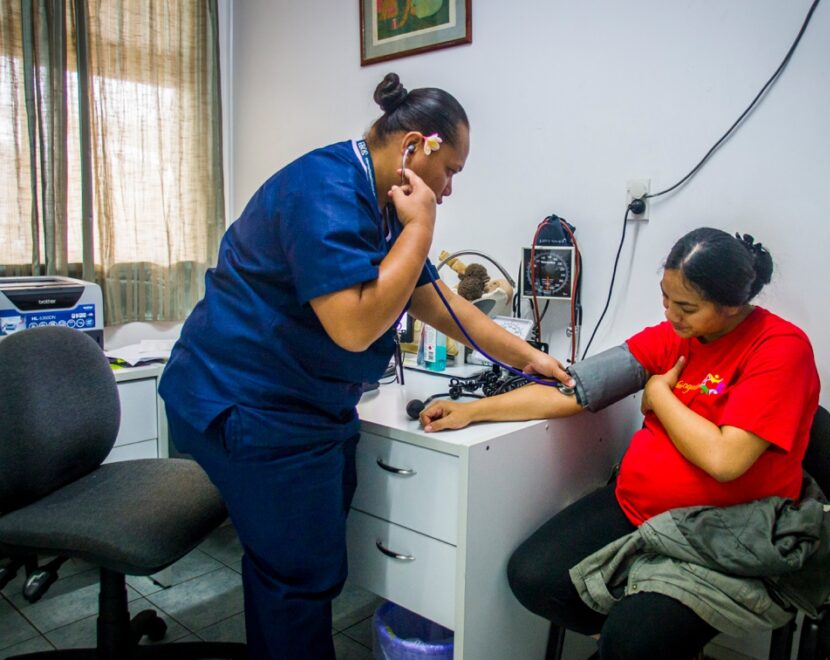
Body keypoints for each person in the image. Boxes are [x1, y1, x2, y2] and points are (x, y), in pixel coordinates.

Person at [159, 73, 571, 660]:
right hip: (246, 401)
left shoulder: (379, 206)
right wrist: (424, 228)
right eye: (450, 169)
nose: (449, 188)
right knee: (297, 578)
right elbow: (354, 326)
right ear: (414, 147)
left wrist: (535, 358)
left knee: (304, 563)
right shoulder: (324, 191)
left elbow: (446, 307)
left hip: (306, 403)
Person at [419, 227, 824, 659]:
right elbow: (574, 390)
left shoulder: (780, 349)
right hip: (636, 509)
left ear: (731, 306)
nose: (670, 314)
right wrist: (472, 411)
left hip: (720, 534)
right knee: (532, 577)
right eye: (665, 297)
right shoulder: (674, 335)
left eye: (686, 306)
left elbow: (725, 459)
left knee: (634, 642)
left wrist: (660, 397)